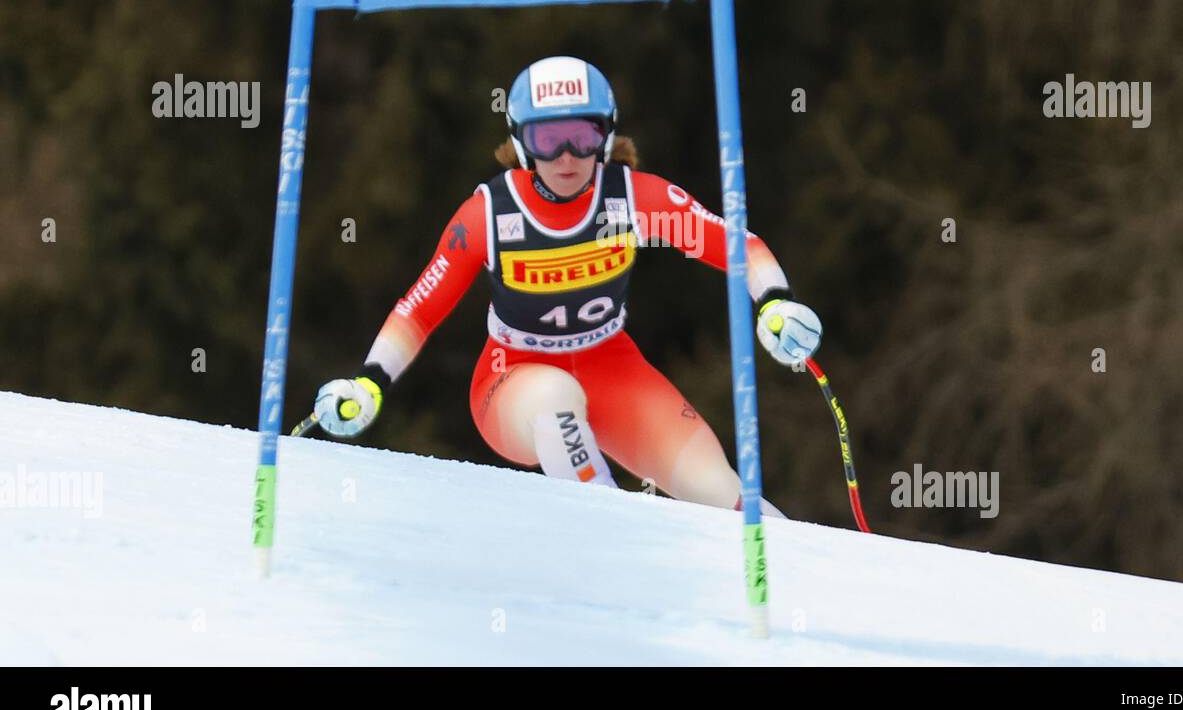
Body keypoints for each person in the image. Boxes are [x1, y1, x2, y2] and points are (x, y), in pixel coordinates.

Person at [311, 56, 823, 514]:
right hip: (512, 379)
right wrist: (370, 382)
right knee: (555, 398)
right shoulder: (489, 214)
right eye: (547, 139)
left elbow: (739, 245)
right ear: (520, 142)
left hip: (613, 370)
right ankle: (609, 536)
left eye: (582, 135)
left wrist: (776, 303)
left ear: (606, 136)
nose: (566, 157)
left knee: (723, 494)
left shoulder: (631, 199)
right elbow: (420, 308)